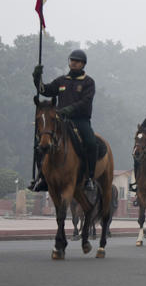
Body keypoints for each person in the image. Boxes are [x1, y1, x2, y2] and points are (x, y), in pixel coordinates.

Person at [31, 49, 97, 193]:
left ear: (83, 64)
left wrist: (69, 109)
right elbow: (45, 90)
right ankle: (42, 177)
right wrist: (37, 79)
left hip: (80, 120)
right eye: (72, 60)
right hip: (61, 120)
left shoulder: (88, 82)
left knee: (91, 143)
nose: (73, 63)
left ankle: (90, 178)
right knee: (40, 143)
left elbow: (86, 102)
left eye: (77, 61)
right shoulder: (61, 80)